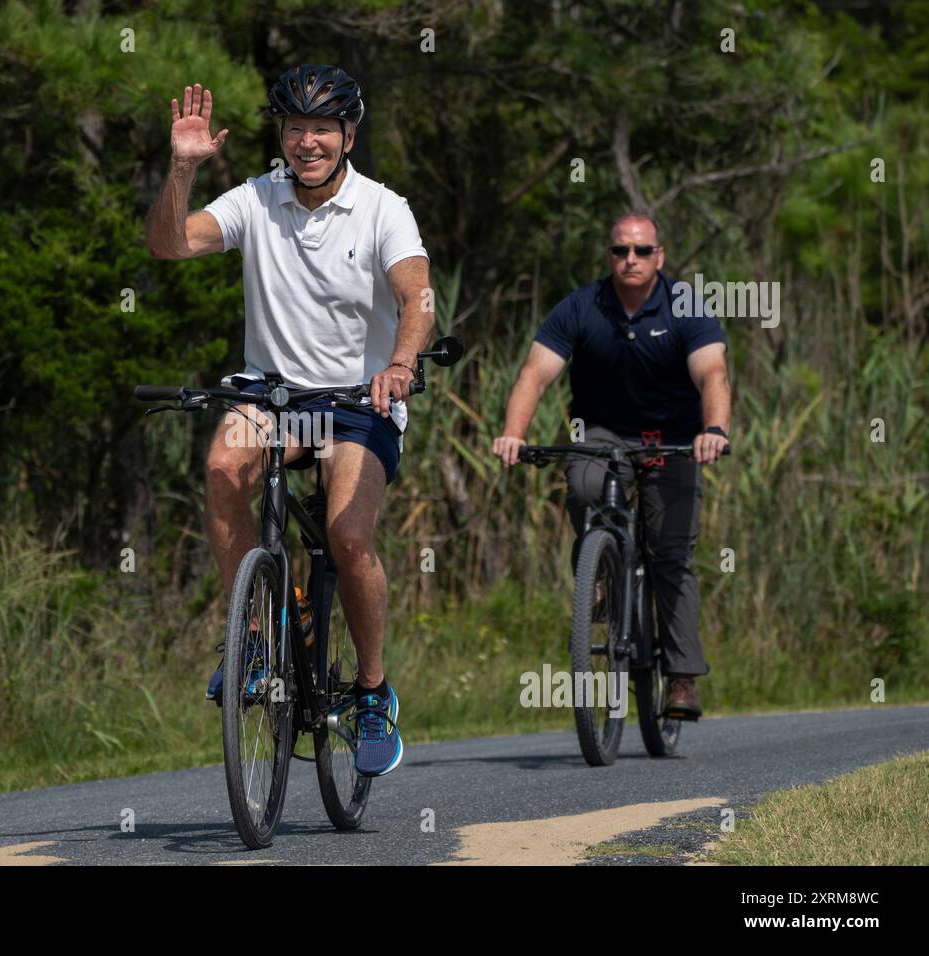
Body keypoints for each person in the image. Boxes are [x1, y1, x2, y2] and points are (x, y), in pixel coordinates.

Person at [145, 65, 433, 775]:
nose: (308, 142)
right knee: (220, 468)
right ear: (281, 135)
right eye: (296, 128)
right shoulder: (256, 199)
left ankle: (371, 691)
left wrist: (398, 364)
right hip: (272, 398)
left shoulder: (382, 209)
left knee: (346, 532)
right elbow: (170, 244)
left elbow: (417, 296)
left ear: (348, 135)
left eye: (323, 129)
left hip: (354, 405)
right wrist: (181, 169)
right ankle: (258, 633)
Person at [491, 213, 730, 718]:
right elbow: (534, 375)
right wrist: (514, 433)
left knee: (671, 555)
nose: (631, 260)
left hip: (675, 440)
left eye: (642, 251)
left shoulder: (686, 307)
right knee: (582, 483)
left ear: (659, 257)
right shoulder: (581, 307)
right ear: (609, 257)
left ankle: (682, 678)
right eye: (621, 251)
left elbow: (712, 373)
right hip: (600, 434)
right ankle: (599, 572)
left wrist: (713, 431)